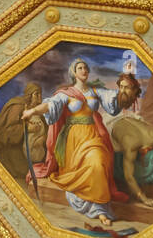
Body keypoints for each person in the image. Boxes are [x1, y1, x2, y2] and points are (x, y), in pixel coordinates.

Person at [22, 59, 129, 228]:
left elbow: (115, 100)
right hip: (74, 140)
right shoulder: (67, 93)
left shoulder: (96, 91)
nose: (84, 70)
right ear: (74, 72)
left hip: (93, 135)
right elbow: (50, 105)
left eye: (86, 67)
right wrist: (32, 110)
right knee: (93, 164)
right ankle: (99, 210)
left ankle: (100, 208)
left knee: (99, 161)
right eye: (80, 68)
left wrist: (125, 91)